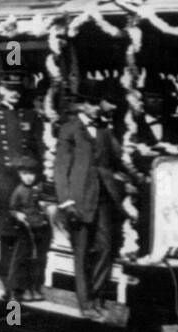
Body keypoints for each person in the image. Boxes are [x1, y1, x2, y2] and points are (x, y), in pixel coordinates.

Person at [54, 78, 141, 319]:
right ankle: (86, 303)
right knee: (82, 253)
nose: (97, 110)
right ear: (83, 106)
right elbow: (61, 168)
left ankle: (98, 295)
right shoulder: (69, 130)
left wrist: (137, 175)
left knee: (105, 247)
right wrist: (66, 201)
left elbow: (119, 158)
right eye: (92, 105)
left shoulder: (104, 130)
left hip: (104, 198)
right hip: (79, 199)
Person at [0, 70, 40, 269]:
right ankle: (9, 288)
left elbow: (39, 151)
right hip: (1, 182)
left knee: (26, 234)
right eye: (10, 89)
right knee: (8, 235)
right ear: (1, 90)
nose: (15, 93)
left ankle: (19, 284)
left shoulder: (30, 116)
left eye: (18, 89)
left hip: (25, 182)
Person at [3, 153, 52, 303]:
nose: (29, 177)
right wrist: (18, 215)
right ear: (19, 175)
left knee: (36, 259)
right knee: (21, 259)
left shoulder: (38, 187)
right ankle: (14, 292)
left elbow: (43, 202)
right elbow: (12, 208)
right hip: (25, 229)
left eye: (31, 174)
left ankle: (32, 289)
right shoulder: (18, 191)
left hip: (38, 227)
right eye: (25, 174)